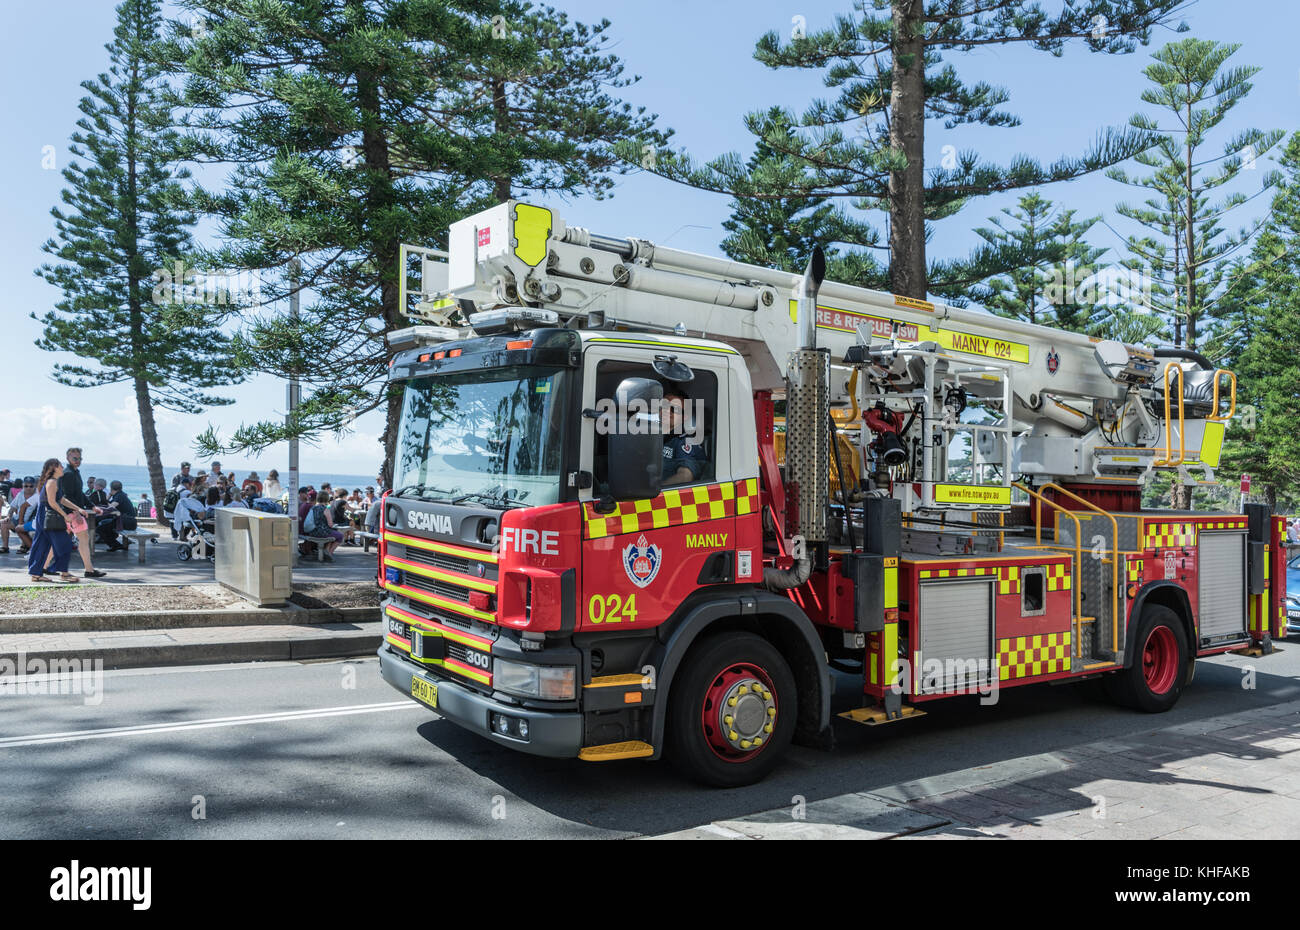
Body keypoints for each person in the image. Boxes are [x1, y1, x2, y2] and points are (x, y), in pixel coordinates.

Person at [29, 458, 82, 584]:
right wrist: (65, 515)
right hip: (50, 517)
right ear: (54, 468)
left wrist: (78, 508)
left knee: (41, 545)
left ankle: (36, 574)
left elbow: (62, 500)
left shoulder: (52, 482)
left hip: (44, 517)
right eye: (61, 466)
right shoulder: (52, 482)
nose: (63, 468)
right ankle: (64, 573)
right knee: (65, 544)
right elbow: (52, 503)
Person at [60, 448, 106, 578]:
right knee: (84, 539)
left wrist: (92, 506)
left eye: (80, 458)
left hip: (70, 513)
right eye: (75, 458)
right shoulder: (68, 473)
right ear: (68, 458)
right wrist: (77, 513)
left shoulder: (75, 472)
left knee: (61, 541)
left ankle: (43, 567)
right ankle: (89, 570)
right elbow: (67, 496)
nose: (78, 461)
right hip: (72, 513)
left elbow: (79, 493)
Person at [660, 388, 706, 487]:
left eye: (674, 409)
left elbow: (685, 476)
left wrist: (655, 490)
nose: (667, 411)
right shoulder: (652, 437)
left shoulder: (686, 441)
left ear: (685, 417)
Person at [2, 476, 37, 554]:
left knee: (22, 527)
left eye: (31, 486)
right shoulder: (20, 494)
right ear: (23, 486)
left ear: (35, 486)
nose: (28, 488)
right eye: (26, 486)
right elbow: (13, 507)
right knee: (3, 524)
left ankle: (25, 546)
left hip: (30, 520)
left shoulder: (37, 495)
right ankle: (5, 547)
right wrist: (8, 516)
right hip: (18, 519)